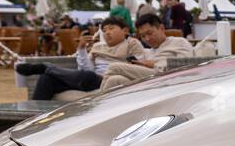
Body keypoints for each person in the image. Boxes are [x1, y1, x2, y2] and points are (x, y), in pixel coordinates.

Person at [16, 15, 144, 100]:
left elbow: (137, 66)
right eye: (104, 30)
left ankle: (46, 67)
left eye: (111, 28)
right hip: (89, 80)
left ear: (125, 31)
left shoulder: (131, 43)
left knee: (88, 75)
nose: (107, 33)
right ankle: (34, 121)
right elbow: (85, 67)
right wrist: (82, 49)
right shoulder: (98, 47)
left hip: (108, 80)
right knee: (46, 79)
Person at [99, 13, 194, 91]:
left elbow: (190, 63)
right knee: (115, 80)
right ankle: (103, 111)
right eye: (143, 36)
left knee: (114, 67)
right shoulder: (148, 52)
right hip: (150, 85)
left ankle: (95, 103)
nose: (147, 39)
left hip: (168, 80)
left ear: (161, 28)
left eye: (149, 33)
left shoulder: (179, 42)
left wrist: (155, 64)